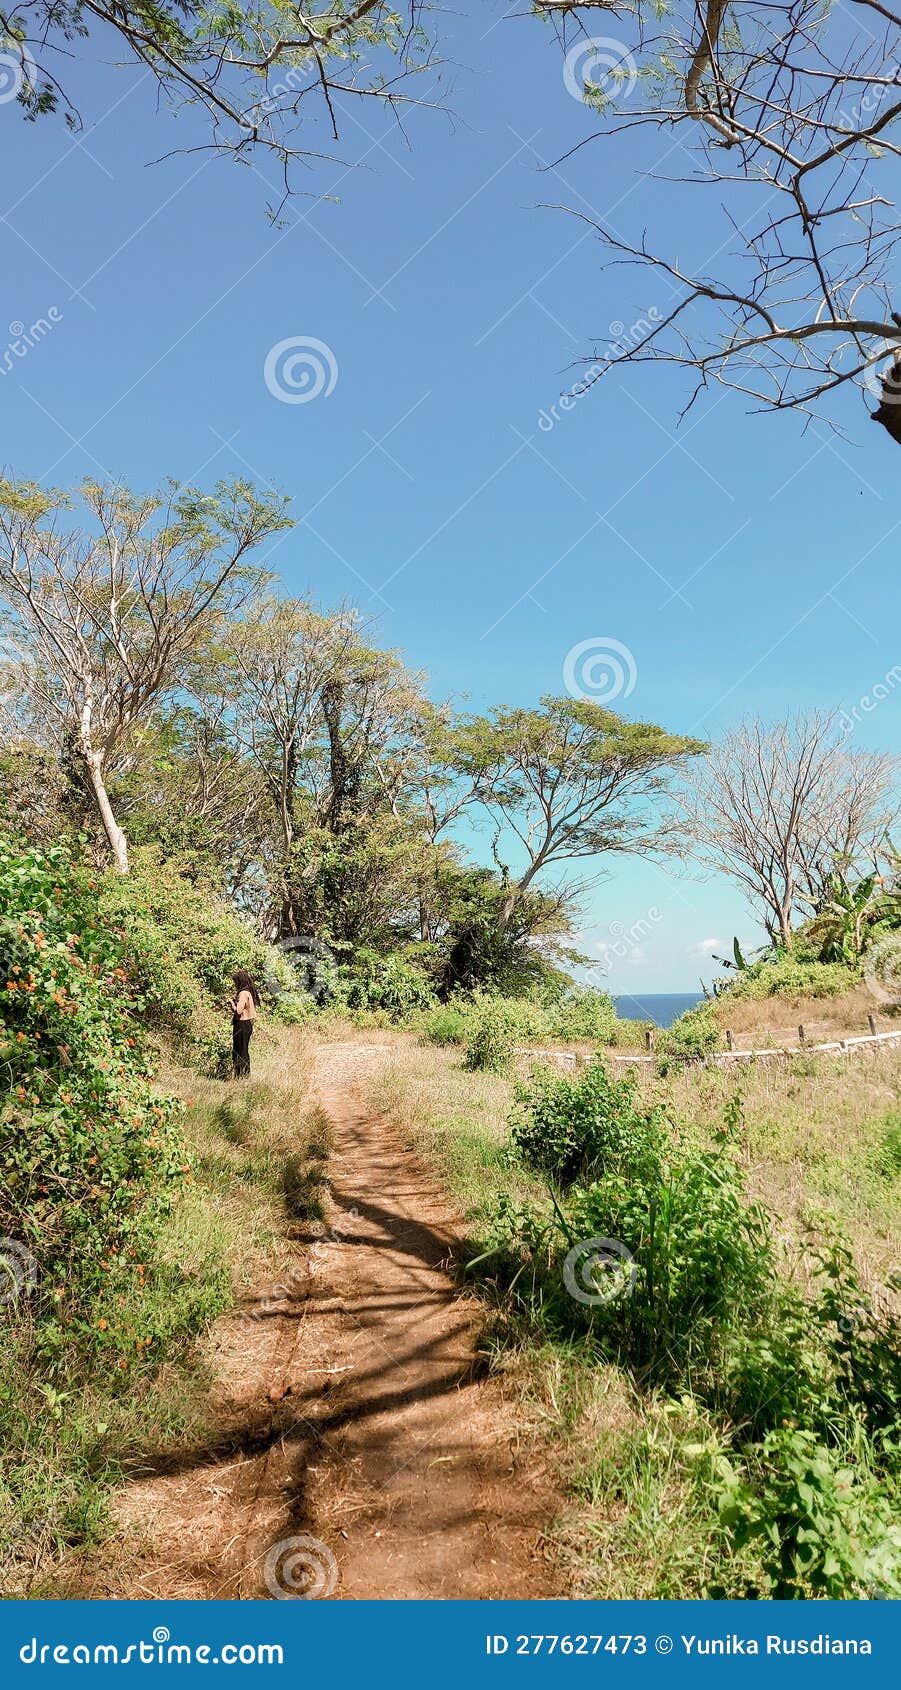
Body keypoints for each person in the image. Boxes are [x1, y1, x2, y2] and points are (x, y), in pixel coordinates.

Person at [228, 970, 259, 1078]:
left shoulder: (243, 993)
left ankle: (241, 1075)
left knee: (239, 1051)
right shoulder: (248, 992)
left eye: (236, 982)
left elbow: (238, 1011)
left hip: (241, 1025)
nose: (235, 984)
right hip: (247, 1024)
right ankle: (244, 1075)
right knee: (243, 1050)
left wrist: (232, 1003)